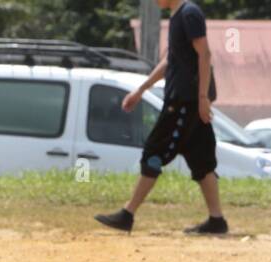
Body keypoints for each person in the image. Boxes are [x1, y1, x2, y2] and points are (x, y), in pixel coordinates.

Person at [95, 0, 228, 235]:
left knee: (154, 153)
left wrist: (202, 99)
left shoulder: (189, 14)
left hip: (184, 103)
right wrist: (141, 89)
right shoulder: (178, 16)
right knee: (202, 160)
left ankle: (127, 214)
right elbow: (170, 61)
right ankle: (216, 220)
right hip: (186, 102)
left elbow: (205, 54)